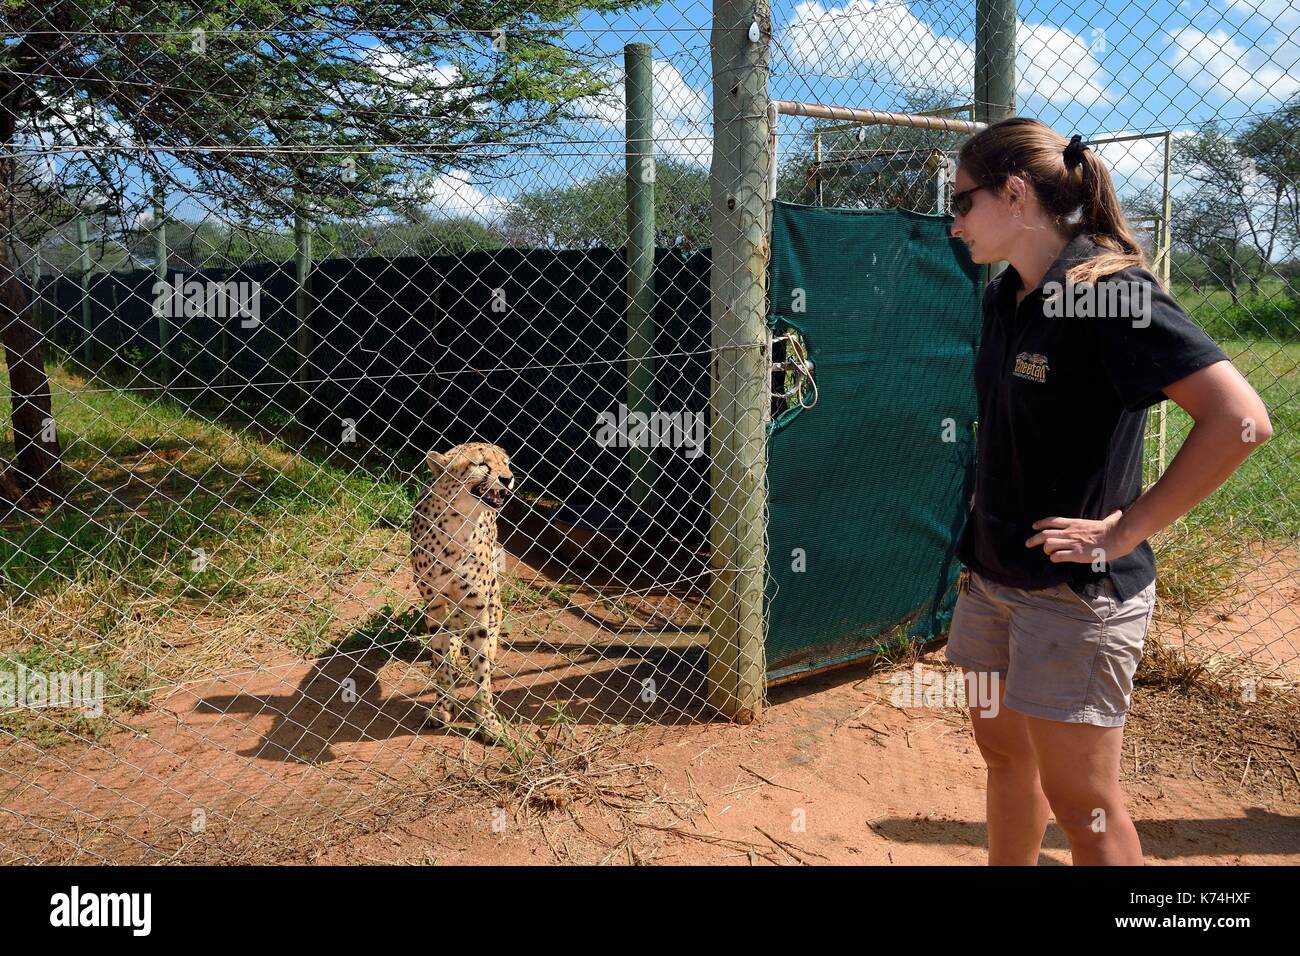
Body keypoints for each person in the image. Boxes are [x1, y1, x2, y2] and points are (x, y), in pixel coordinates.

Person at [945, 117, 1273, 865]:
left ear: (1015, 193)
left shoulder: (1109, 293)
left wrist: (1121, 532)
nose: (955, 224)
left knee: (1085, 804)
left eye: (961, 203)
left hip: (1072, 594)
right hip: (993, 576)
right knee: (1004, 758)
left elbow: (1243, 421)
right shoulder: (1007, 297)